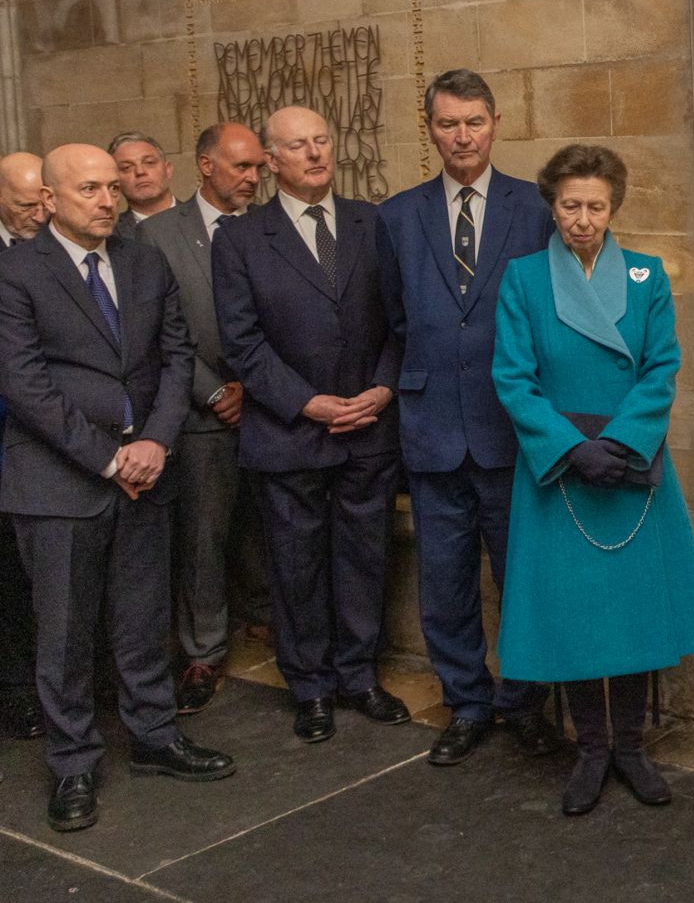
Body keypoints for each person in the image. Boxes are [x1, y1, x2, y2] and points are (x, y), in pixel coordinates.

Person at [0, 143, 235, 831]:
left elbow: (174, 355)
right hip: (59, 482)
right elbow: (26, 386)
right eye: (89, 189)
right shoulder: (16, 272)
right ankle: (73, 762)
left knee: (141, 619)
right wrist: (110, 457)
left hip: (147, 471)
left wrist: (157, 441)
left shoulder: (142, 258)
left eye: (111, 188)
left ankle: (156, 737)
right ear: (50, 199)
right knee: (65, 633)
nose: (107, 199)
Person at [493, 144, 694, 815]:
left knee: (630, 612)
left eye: (596, 205)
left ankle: (630, 745)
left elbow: (661, 368)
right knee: (576, 611)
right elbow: (512, 377)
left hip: (630, 462)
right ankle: (590, 748)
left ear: (614, 206)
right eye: (570, 205)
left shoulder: (649, 276)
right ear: (552, 205)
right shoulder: (524, 279)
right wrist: (570, 447)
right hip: (560, 469)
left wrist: (621, 442)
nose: (583, 219)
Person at [377, 70, 562, 766]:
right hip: (431, 428)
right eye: (449, 123)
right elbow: (396, 318)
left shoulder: (536, 208)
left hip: (511, 430)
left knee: (523, 578)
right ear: (428, 128)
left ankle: (525, 704)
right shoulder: (396, 216)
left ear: (496, 122)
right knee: (446, 580)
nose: (463, 136)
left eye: (474, 122)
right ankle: (466, 703)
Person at [213, 106, 409, 744]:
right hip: (290, 434)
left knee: (363, 558)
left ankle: (358, 676)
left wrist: (382, 388)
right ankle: (311, 687)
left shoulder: (371, 223)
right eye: (298, 146)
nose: (316, 153)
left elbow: (400, 322)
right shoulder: (242, 239)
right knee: (295, 567)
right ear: (272, 161)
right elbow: (242, 345)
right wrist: (307, 403)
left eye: (323, 140)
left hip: (369, 430)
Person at [135, 123, 272, 714]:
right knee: (203, 540)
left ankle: (273, 622)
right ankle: (204, 652)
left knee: (270, 529)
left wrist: (262, 387)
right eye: (241, 167)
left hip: (271, 407)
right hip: (199, 414)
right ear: (206, 166)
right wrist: (214, 393)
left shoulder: (269, 229)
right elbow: (154, 333)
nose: (253, 178)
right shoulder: (156, 236)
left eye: (258, 168)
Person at [0, 151, 48, 742]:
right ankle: (17, 692)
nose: (37, 212)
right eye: (24, 203)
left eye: (44, 200)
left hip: (56, 442)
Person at [110, 132, 178, 233]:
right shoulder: (108, 234)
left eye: (149, 162)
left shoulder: (201, 217)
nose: (140, 172)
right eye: (127, 167)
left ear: (168, 170)